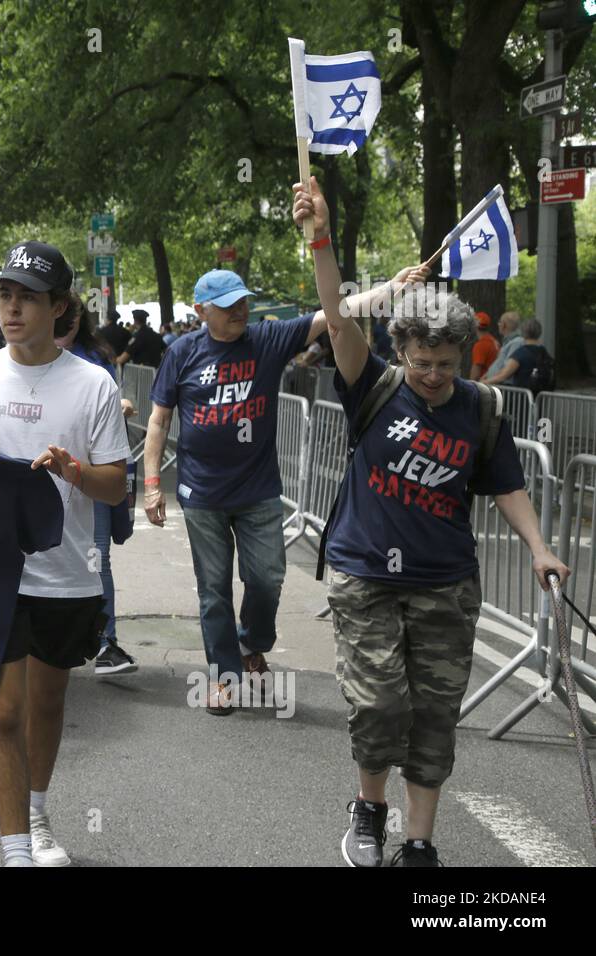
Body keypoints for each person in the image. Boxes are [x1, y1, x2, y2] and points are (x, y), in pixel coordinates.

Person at [294, 180, 570, 867]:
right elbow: (336, 316)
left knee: (435, 717)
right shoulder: (375, 384)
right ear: (402, 350)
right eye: (422, 363)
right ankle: (369, 810)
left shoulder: (480, 408)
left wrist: (540, 548)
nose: (434, 376)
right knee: (380, 705)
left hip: (445, 582)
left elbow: (507, 485)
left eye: (446, 365)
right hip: (365, 575)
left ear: (464, 356)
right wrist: (320, 237)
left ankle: (418, 843)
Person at [142, 259, 418, 714]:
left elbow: (335, 312)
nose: (240, 311)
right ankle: (224, 677)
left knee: (267, 579)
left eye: (243, 302)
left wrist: (390, 287)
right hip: (201, 494)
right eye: (228, 305)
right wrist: (152, 483)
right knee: (213, 590)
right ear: (200, 310)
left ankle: (252, 643)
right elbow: (159, 420)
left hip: (258, 491)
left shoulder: (267, 339)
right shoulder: (182, 352)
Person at [0, 241, 130, 867]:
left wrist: (74, 471)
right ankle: (18, 846)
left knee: (46, 702)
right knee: (7, 711)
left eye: (28, 298)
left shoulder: (93, 384)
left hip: (66, 573)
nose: (12, 309)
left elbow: (115, 485)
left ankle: (36, 810)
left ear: (59, 307)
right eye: (6, 296)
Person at [54, 296, 138, 677]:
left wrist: (119, 407)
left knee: (97, 557)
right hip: (43, 480)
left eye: (70, 314)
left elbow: (109, 408)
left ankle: (106, 642)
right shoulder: (20, 359)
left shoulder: (96, 362)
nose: (63, 321)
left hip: (93, 478)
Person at [483, 319, 552, 394]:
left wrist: (482, 383)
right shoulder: (545, 352)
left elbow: (503, 376)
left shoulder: (520, 353)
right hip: (541, 397)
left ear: (523, 332)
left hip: (522, 398)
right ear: (539, 333)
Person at [486, 311, 522, 379]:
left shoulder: (516, 342)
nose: (498, 324)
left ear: (504, 325)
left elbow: (507, 369)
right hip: (494, 382)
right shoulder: (508, 342)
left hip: (501, 383)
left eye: (500, 322)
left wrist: (488, 381)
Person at [468, 312, 498, 381]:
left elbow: (476, 373)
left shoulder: (481, 345)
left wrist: (470, 385)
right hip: (493, 382)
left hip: (484, 383)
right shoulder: (494, 342)